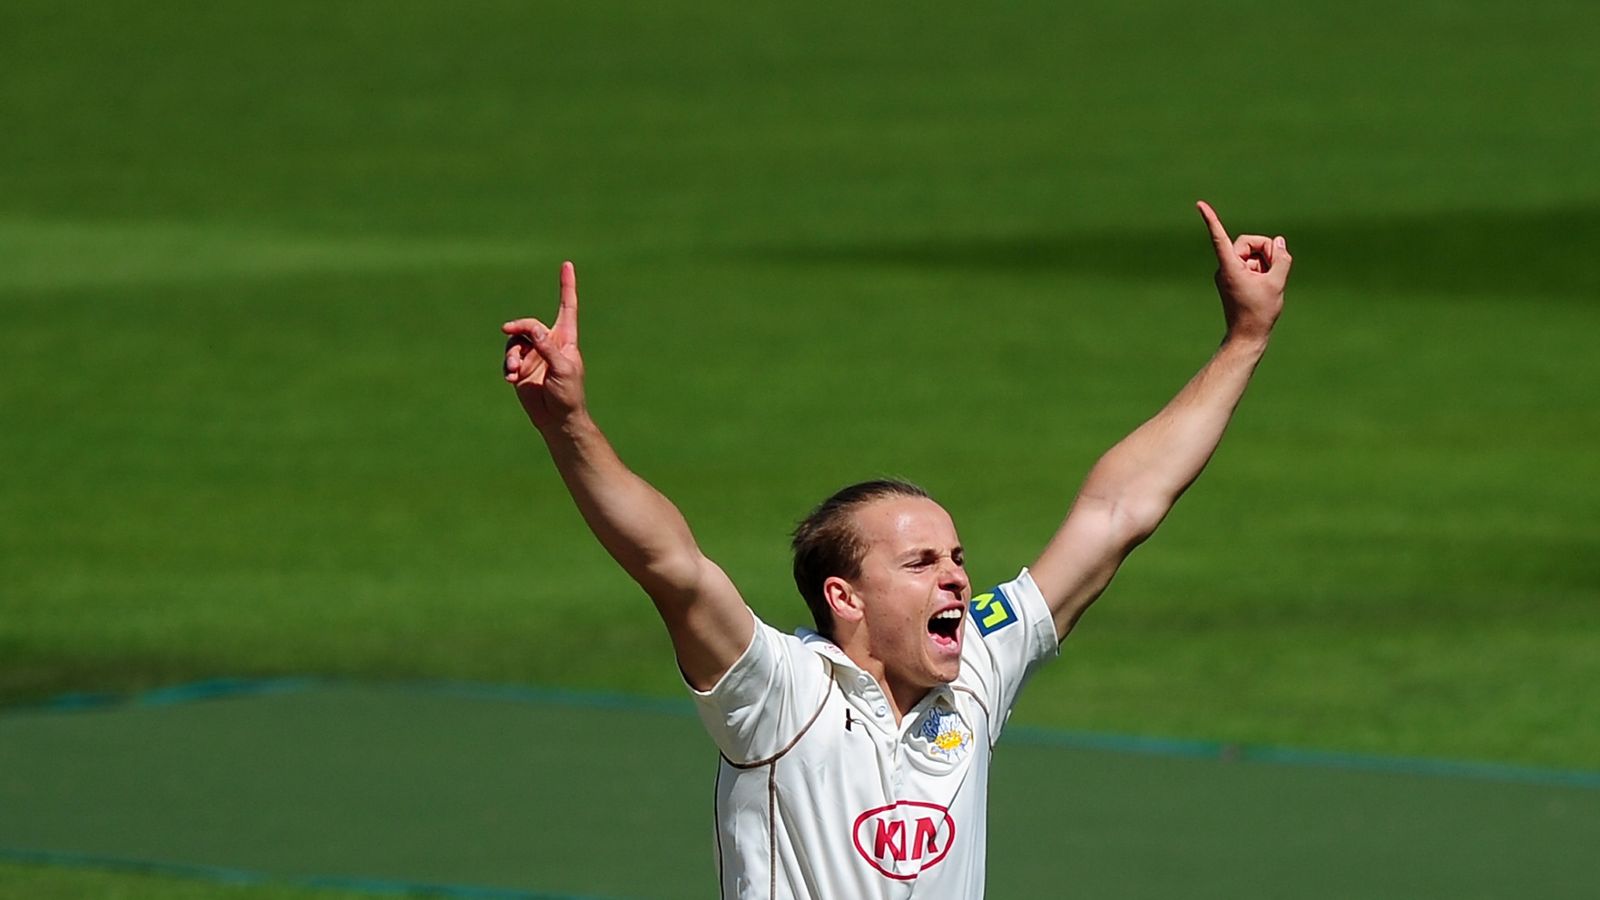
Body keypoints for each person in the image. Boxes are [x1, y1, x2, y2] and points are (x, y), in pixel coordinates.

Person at [501, 201, 1291, 898]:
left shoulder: (976, 665)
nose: (955, 580)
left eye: (955, 558)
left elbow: (1117, 511)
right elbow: (670, 564)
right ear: (844, 596)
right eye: (921, 565)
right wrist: (568, 426)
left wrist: (1245, 338)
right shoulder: (779, 694)